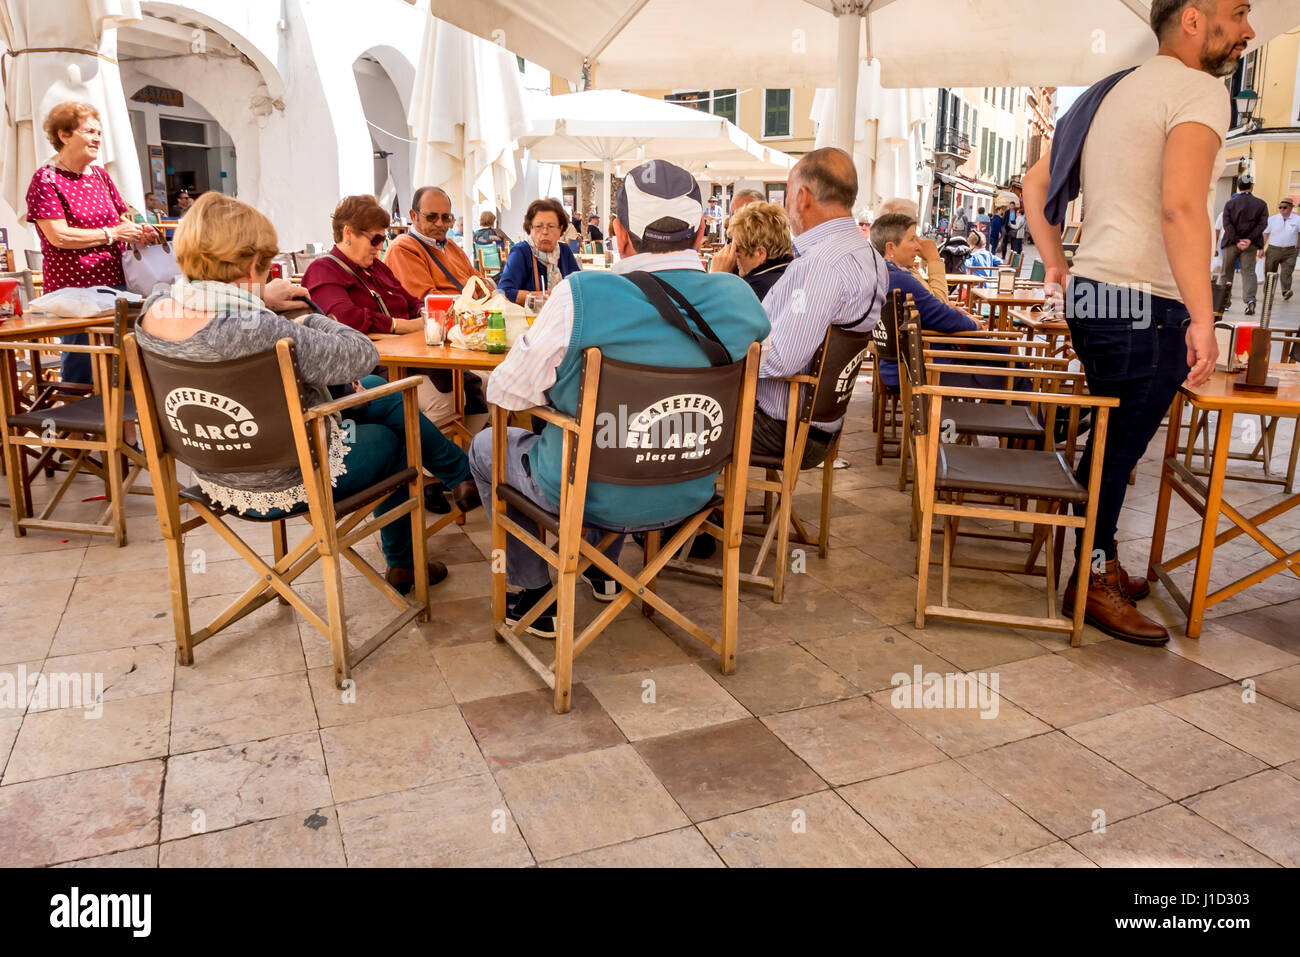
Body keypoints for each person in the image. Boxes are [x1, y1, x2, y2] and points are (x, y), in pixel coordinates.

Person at [1023, 0, 1249, 644]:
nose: (1249, 29)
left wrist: (1056, 264)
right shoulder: (1200, 90)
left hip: (1096, 294)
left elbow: (1031, 183)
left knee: (1112, 441)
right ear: (1195, 20)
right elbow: (1181, 208)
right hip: (1145, 301)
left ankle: (1102, 561)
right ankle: (1090, 580)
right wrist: (1203, 319)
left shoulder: (1109, 91)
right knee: (1117, 449)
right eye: (1239, 13)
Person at [468, 160, 770, 637]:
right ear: (701, 233)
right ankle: (603, 570)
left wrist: (559, 389)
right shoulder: (741, 300)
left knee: (490, 447)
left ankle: (534, 593)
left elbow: (505, 390)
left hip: (592, 492)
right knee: (623, 437)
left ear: (618, 232)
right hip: (690, 489)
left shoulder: (581, 295)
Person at [134, 193, 480, 592]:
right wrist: (311, 316)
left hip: (210, 470)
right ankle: (407, 559)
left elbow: (216, 306)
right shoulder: (259, 330)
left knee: (373, 390)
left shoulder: (155, 310)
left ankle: (458, 476)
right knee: (394, 438)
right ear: (251, 264)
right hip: (287, 476)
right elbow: (360, 353)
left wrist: (260, 298)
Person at [756, 147, 888, 469]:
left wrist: (720, 358)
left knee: (681, 417)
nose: (786, 207)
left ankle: (689, 513)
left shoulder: (821, 266)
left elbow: (781, 360)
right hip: (824, 425)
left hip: (782, 429)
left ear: (802, 196)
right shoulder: (872, 258)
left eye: (786, 196)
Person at [25, 101, 160, 385]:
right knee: (82, 364)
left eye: (99, 132)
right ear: (64, 135)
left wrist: (137, 231)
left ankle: (121, 426)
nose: (98, 138)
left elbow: (122, 219)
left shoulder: (101, 176)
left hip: (116, 285)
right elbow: (58, 236)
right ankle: (75, 428)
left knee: (123, 362)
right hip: (74, 291)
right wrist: (112, 234)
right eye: (90, 131)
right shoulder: (46, 179)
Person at [870, 213, 978, 389]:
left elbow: (934, 308)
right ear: (891, 247)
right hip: (927, 369)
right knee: (1011, 372)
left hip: (897, 368)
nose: (917, 246)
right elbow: (944, 316)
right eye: (912, 239)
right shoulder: (901, 279)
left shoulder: (880, 274)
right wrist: (975, 324)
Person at [302, 195, 424, 335]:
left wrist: (427, 314)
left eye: (383, 239)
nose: (380, 247)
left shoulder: (377, 267)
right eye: (375, 239)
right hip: (379, 354)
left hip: (409, 347)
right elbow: (344, 319)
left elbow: (412, 302)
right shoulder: (322, 271)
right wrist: (404, 326)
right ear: (348, 233)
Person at [385, 186, 492, 297]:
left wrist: (495, 297)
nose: (440, 224)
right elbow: (426, 301)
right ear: (413, 216)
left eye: (446, 217)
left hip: (474, 310)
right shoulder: (402, 249)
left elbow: (479, 283)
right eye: (431, 217)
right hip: (451, 312)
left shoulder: (451, 245)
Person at [497, 198, 582, 306]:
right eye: (538, 226)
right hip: (530, 320)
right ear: (530, 228)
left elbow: (578, 286)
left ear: (560, 229)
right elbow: (504, 291)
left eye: (551, 226)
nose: (545, 232)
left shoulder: (564, 251)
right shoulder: (521, 252)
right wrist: (546, 296)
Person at [878, 197, 948, 299]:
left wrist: (952, 306)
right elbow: (939, 306)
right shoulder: (901, 272)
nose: (918, 245)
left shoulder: (889, 264)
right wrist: (934, 259)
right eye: (911, 238)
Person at [1220, 172, 1269, 314]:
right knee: (1248, 272)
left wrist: (1236, 240)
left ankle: (1223, 302)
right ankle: (1250, 300)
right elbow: (1262, 224)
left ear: (1239, 186)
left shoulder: (1230, 204)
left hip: (1231, 243)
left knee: (1226, 273)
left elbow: (1227, 224)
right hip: (1251, 244)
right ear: (1252, 186)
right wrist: (1249, 239)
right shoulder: (1261, 204)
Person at [726, 201, 795, 301]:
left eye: (737, 250)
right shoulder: (794, 271)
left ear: (760, 253)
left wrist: (718, 276)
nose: (733, 256)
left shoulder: (751, 290)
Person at [707, 189, 766, 275]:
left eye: (743, 215)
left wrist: (720, 275)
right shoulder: (733, 250)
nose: (736, 221)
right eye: (733, 215)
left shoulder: (766, 254)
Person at [1264, 197, 1298, 301]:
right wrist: (1261, 248)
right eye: (1280, 207)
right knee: (1270, 272)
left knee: (1287, 272)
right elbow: (1265, 234)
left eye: (1285, 207)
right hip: (1273, 249)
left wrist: (1298, 247)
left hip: (1290, 251)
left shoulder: (1298, 220)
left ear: (1291, 208)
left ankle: (1286, 291)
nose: (1282, 209)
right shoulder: (1272, 219)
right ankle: (1268, 292)